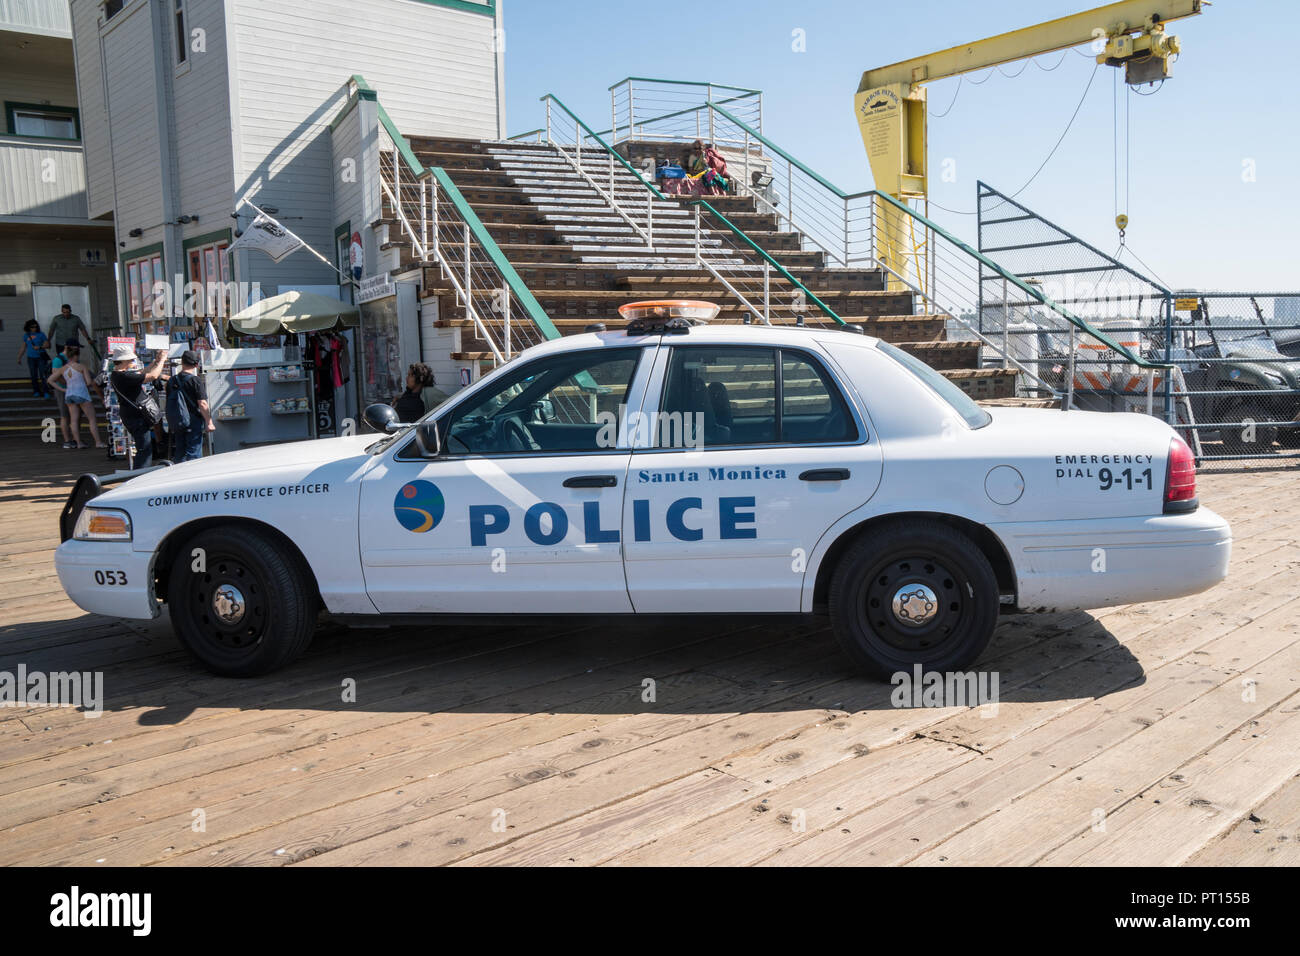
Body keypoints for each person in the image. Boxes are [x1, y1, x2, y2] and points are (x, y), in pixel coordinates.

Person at [110, 343, 167, 467]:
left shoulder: (117, 374)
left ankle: (140, 472)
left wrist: (155, 362)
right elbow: (153, 376)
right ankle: (140, 475)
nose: (132, 360)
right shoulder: (124, 376)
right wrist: (162, 360)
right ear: (124, 360)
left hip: (129, 415)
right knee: (144, 450)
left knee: (143, 448)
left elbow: (141, 373)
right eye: (130, 359)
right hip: (136, 417)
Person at [47, 345, 106, 449]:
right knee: (92, 419)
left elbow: (50, 380)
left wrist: (63, 389)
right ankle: (98, 442)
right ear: (76, 356)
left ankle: (78, 443)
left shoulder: (63, 368)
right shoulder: (81, 367)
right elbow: (88, 382)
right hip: (82, 394)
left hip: (69, 394)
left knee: (73, 420)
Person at [166, 350, 215, 462]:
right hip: (193, 421)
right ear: (196, 365)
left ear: (182, 362)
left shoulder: (171, 381)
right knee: (194, 453)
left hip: (177, 420)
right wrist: (209, 422)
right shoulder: (195, 380)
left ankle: (180, 476)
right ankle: (193, 476)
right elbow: (202, 404)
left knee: (180, 452)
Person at [15, 319, 50, 398]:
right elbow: (23, 347)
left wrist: (40, 346)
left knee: (43, 375)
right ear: (28, 327)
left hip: (40, 357)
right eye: (32, 327)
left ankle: (46, 392)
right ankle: (36, 391)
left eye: (35, 326)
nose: (34, 328)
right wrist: (19, 357)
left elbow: (47, 345)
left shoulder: (41, 334)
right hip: (31, 358)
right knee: (33, 375)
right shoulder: (26, 335)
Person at [48, 345, 74, 448]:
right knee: (65, 415)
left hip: (71, 390)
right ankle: (67, 440)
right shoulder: (58, 360)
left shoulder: (72, 358)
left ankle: (74, 438)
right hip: (62, 390)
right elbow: (55, 377)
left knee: (74, 415)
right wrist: (65, 387)